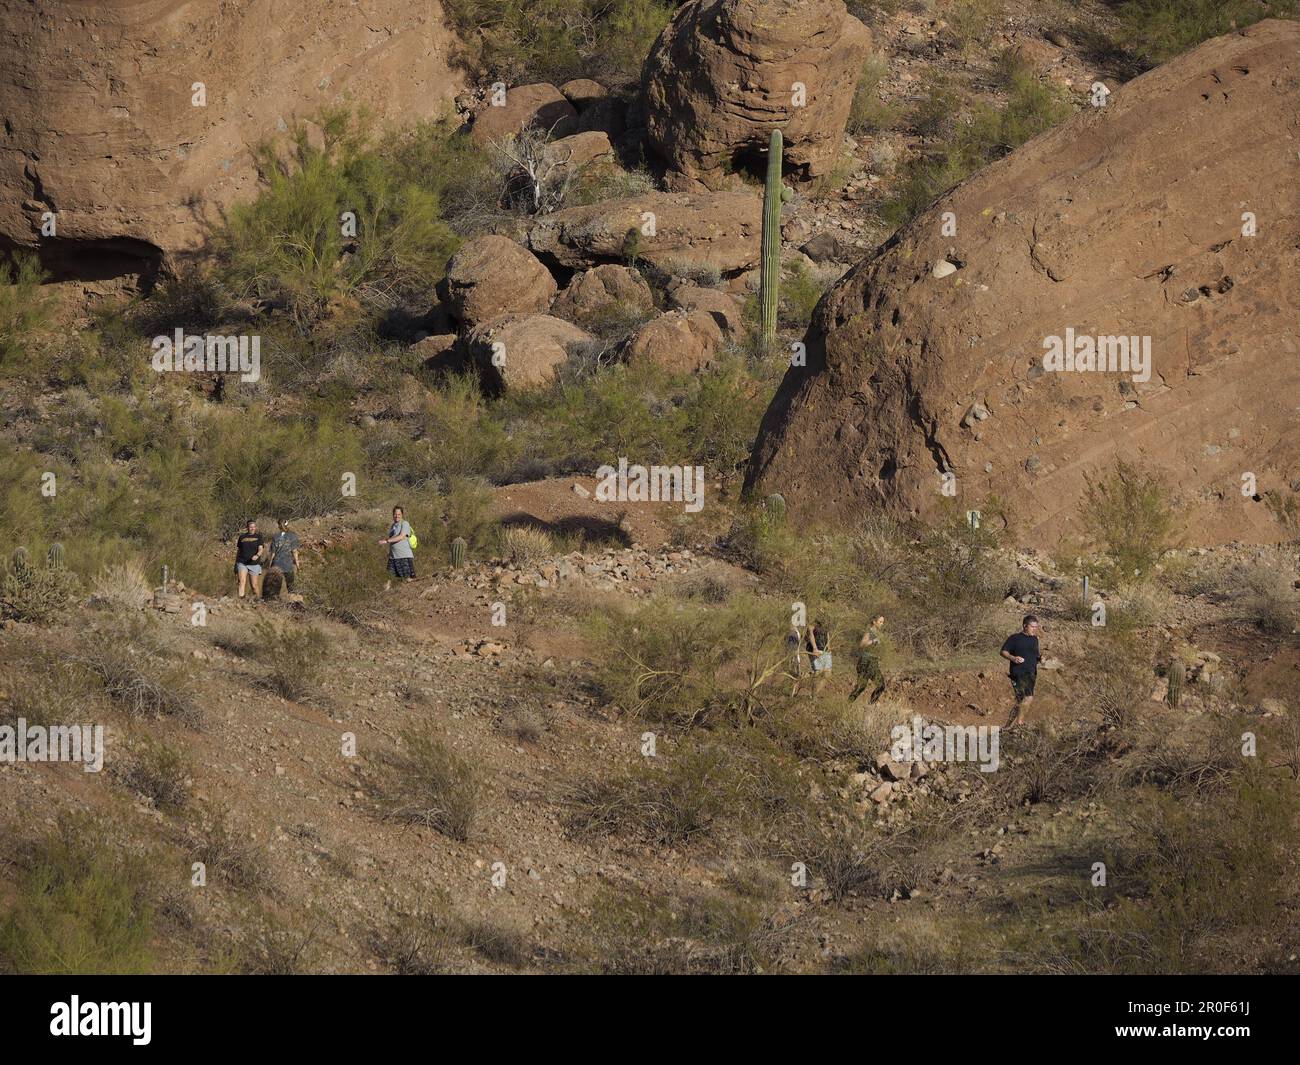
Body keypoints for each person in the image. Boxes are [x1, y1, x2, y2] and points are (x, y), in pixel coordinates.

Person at [1000, 614, 1042, 727]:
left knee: (1020, 701)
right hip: (1018, 673)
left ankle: (1008, 725)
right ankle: (1020, 723)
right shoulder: (1015, 638)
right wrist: (1013, 658)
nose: (1035, 629)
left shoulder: (1034, 639)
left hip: (1032, 672)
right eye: (1032, 626)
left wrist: (1040, 659)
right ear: (1024, 626)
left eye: (1036, 627)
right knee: (1028, 697)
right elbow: (1003, 651)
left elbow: (1035, 655)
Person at [849, 616, 888, 704]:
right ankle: (847, 704)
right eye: (880, 622)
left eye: (883, 622)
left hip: (873, 662)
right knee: (861, 687)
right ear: (874, 622)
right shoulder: (869, 631)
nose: (882, 624)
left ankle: (870, 705)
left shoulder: (878, 633)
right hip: (865, 661)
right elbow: (862, 644)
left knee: (881, 685)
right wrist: (873, 641)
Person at [266, 517, 301, 599]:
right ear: (287, 524)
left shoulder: (275, 537)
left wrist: (269, 565)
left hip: (276, 565)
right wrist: (297, 564)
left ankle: (274, 605)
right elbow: (294, 552)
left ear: (278, 526)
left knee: (275, 588)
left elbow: (272, 553)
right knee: (291, 587)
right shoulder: (293, 536)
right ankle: (291, 604)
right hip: (288, 565)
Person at [378, 505, 415, 582]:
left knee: (408, 579)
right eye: (395, 514)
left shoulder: (405, 523)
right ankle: (386, 593)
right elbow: (393, 539)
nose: (397, 516)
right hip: (393, 557)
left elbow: (401, 536)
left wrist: (386, 541)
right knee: (388, 578)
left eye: (399, 514)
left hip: (403, 556)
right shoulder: (393, 526)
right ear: (393, 515)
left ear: (402, 515)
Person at [234, 519, 265, 599]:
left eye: (254, 527)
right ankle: (241, 601)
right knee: (241, 582)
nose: (252, 528)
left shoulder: (259, 537)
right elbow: (239, 551)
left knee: (254, 586)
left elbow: (261, 549)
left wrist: (257, 555)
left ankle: (258, 600)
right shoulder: (242, 537)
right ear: (247, 527)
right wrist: (236, 564)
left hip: (254, 564)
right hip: (242, 563)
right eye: (251, 527)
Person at [806, 616, 831, 694]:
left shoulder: (826, 618)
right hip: (815, 648)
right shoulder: (813, 618)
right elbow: (810, 633)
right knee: (818, 671)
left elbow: (827, 633)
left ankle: (815, 693)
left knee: (827, 674)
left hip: (825, 649)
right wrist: (814, 648)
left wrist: (829, 645)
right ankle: (813, 696)